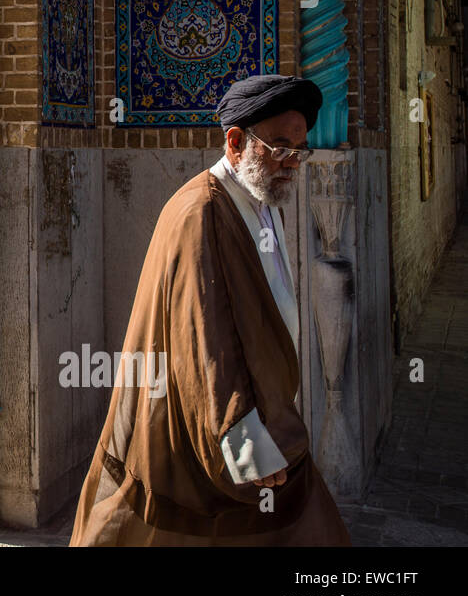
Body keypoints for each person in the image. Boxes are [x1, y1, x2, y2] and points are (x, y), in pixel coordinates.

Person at [69, 74, 351, 545]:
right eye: (280, 148)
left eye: (300, 152)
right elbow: (203, 342)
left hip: (260, 417)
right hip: (212, 431)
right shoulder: (200, 213)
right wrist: (247, 450)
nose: (291, 164)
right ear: (236, 141)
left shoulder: (259, 201)